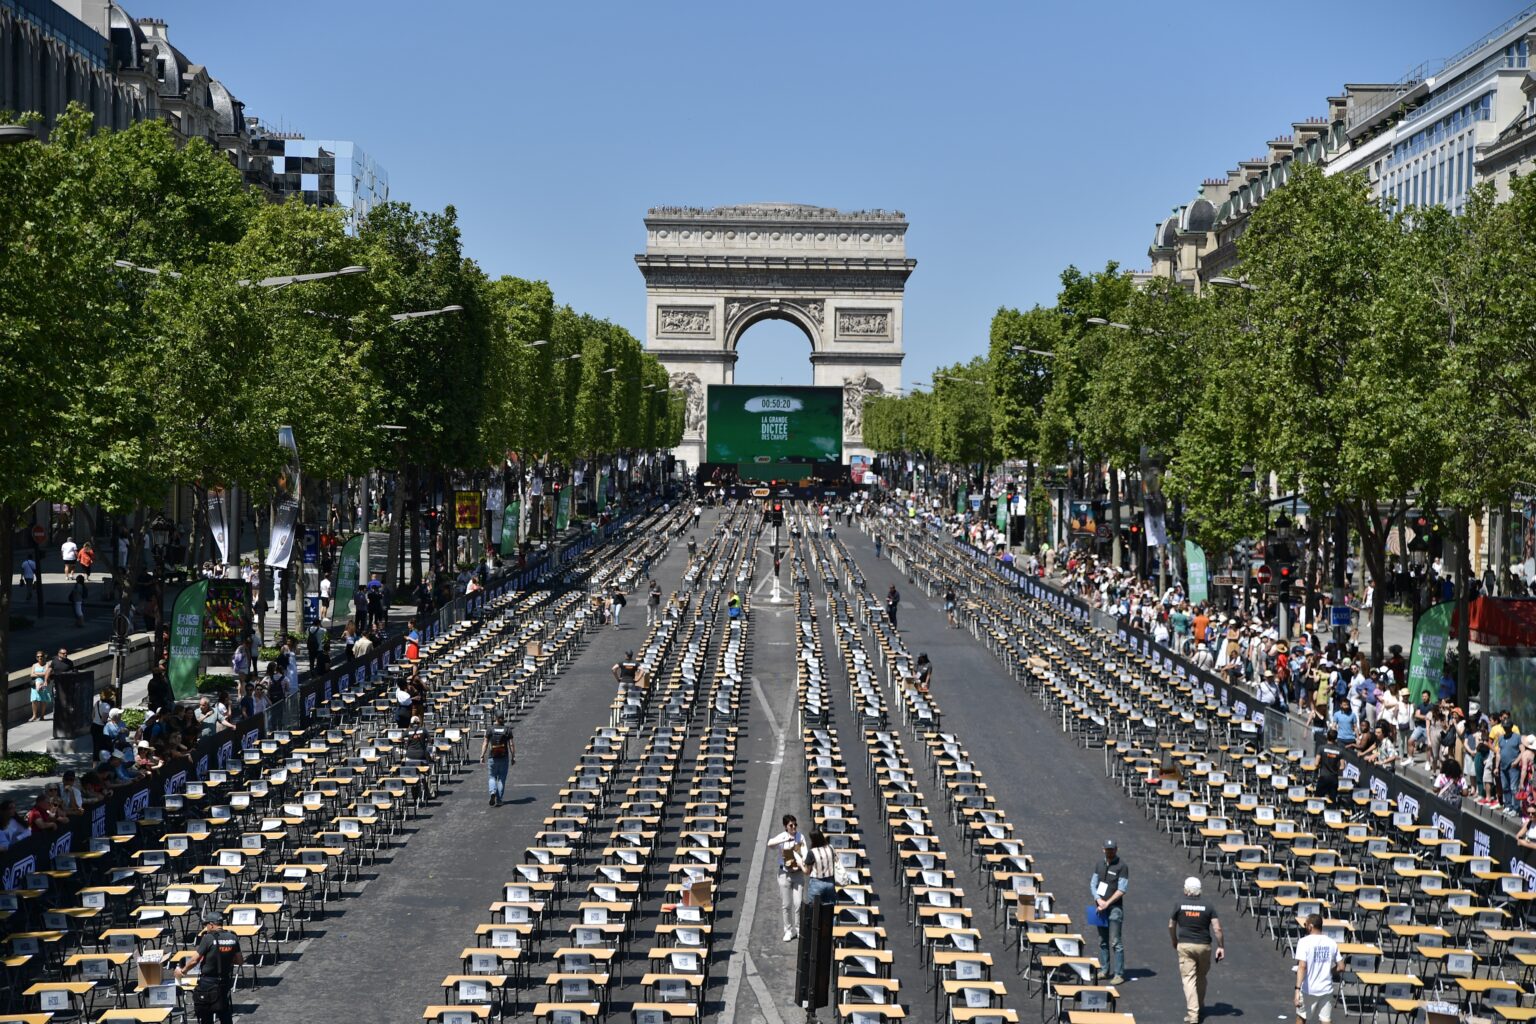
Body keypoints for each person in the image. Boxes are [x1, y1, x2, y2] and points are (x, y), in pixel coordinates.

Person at [1169, 876, 1224, 1024]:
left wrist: (1174, 939)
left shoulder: (1179, 904)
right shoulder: (1208, 906)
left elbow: (1171, 925)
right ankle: (1198, 1006)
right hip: (1204, 946)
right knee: (1201, 977)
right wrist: (1221, 946)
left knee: (1189, 979)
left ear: (1186, 889)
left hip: (1185, 945)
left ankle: (1193, 1015)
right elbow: (1217, 928)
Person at [175, 909, 243, 1024]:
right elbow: (239, 961)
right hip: (224, 980)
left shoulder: (208, 938)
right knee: (224, 1011)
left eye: (206, 925)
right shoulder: (232, 937)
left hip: (208, 982)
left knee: (206, 1014)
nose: (205, 927)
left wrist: (182, 971)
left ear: (211, 925)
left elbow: (194, 960)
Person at [1090, 838, 1129, 985]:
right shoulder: (1099, 864)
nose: (1109, 851)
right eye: (1107, 849)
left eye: (1112, 849)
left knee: (1115, 941)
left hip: (1114, 909)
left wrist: (1107, 903)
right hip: (1100, 908)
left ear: (1116, 850)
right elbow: (1093, 884)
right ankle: (1104, 970)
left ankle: (1119, 974)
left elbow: (1122, 890)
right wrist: (1098, 900)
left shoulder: (1122, 866)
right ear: (1103, 849)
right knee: (1102, 941)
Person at [1293, 912, 1342, 1023]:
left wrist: (1297, 990)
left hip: (1309, 990)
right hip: (1326, 988)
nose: (1305, 927)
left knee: (1301, 1017)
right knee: (1325, 1020)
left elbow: (1302, 966)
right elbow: (1341, 966)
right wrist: (1329, 972)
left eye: (1305, 925)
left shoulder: (1304, 942)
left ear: (1310, 926)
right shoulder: (1331, 942)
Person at [766, 813, 808, 941]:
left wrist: (801, 864)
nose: (794, 827)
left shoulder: (801, 837)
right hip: (784, 874)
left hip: (798, 874)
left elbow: (805, 852)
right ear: (786, 826)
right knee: (786, 904)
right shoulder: (782, 836)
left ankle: (798, 929)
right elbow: (770, 844)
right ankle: (788, 930)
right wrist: (784, 840)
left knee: (798, 903)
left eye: (795, 824)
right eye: (791, 825)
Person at [481, 713, 514, 807]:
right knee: (501, 779)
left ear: (495, 718)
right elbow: (511, 744)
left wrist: (482, 755)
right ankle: (499, 800)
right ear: (503, 718)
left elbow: (485, 743)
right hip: (504, 757)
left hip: (492, 756)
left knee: (492, 777)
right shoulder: (507, 729)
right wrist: (513, 756)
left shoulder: (490, 729)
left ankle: (492, 792)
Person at [803, 829, 837, 907]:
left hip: (816, 883)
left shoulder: (812, 852)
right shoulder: (830, 848)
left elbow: (806, 871)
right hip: (830, 883)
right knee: (830, 910)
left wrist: (800, 864)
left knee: (814, 910)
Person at [28, 650, 51, 722]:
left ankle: (42, 716)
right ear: (36, 657)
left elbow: (46, 673)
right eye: (38, 656)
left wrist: (36, 673)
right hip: (35, 684)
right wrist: (41, 673)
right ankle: (34, 716)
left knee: (43, 700)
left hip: (43, 683)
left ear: (44, 657)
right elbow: (31, 674)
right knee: (34, 700)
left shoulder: (47, 665)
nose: (39, 658)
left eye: (41, 656)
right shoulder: (34, 665)